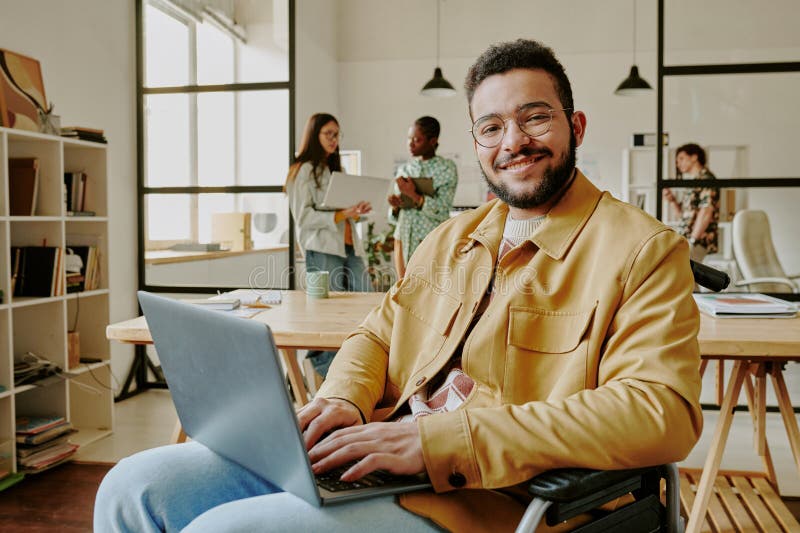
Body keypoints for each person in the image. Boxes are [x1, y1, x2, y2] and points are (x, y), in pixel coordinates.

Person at [94, 39, 702, 533]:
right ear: (477, 145)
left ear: (576, 125)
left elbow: (662, 413)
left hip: (497, 496)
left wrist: (440, 440)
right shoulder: (452, 238)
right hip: (379, 451)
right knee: (131, 488)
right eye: (491, 127)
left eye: (534, 118)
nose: (512, 141)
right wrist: (343, 400)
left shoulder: (642, 250)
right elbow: (378, 333)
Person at [286, 113, 372, 376]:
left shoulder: (336, 170)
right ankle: (321, 368)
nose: (335, 140)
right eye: (329, 134)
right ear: (315, 135)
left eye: (337, 134)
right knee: (328, 313)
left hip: (349, 246)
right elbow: (303, 217)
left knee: (365, 304)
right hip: (322, 249)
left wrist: (355, 211)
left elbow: (341, 211)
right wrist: (341, 214)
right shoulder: (302, 171)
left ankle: (351, 367)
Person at [388, 116, 458, 278]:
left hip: (430, 239)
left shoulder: (446, 168)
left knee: (430, 291)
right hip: (403, 238)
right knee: (404, 289)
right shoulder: (404, 169)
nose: (410, 144)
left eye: (416, 139)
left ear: (432, 141)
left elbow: (442, 210)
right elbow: (393, 219)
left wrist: (414, 195)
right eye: (408, 139)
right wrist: (395, 206)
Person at [662, 143, 720, 262]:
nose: (678, 163)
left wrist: (693, 240)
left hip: (698, 241)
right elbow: (683, 217)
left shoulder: (706, 179)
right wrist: (672, 201)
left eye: (681, 158)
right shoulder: (693, 183)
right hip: (687, 239)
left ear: (694, 157)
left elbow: (706, 211)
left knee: (686, 277)